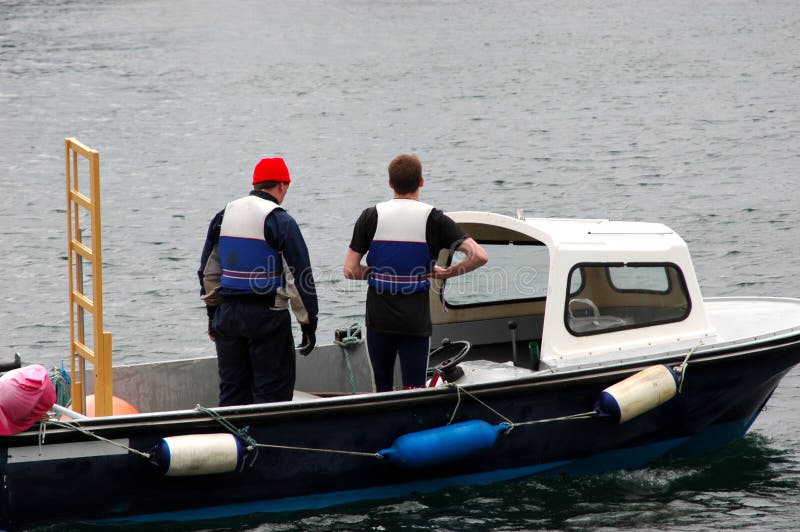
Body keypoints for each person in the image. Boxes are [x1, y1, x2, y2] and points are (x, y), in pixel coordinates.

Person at [343, 154, 488, 392]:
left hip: (379, 318)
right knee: (415, 389)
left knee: (382, 388)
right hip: (415, 320)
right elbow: (479, 256)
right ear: (421, 182)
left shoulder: (371, 216)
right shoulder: (434, 218)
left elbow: (349, 270)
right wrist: (446, 273)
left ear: (390, 183)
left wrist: (379, 274)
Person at [199, 157, 318, 406]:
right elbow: (299, 278)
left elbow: (208, 272)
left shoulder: (224, 215)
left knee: (232, 394)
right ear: (283, 186)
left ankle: (233, 442)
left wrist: (213, 315)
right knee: (271, 395)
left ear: (255, 183)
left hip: (228, 316)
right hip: (267, 318)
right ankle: (266, 443)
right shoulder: (280, 220)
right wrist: (308, 325)